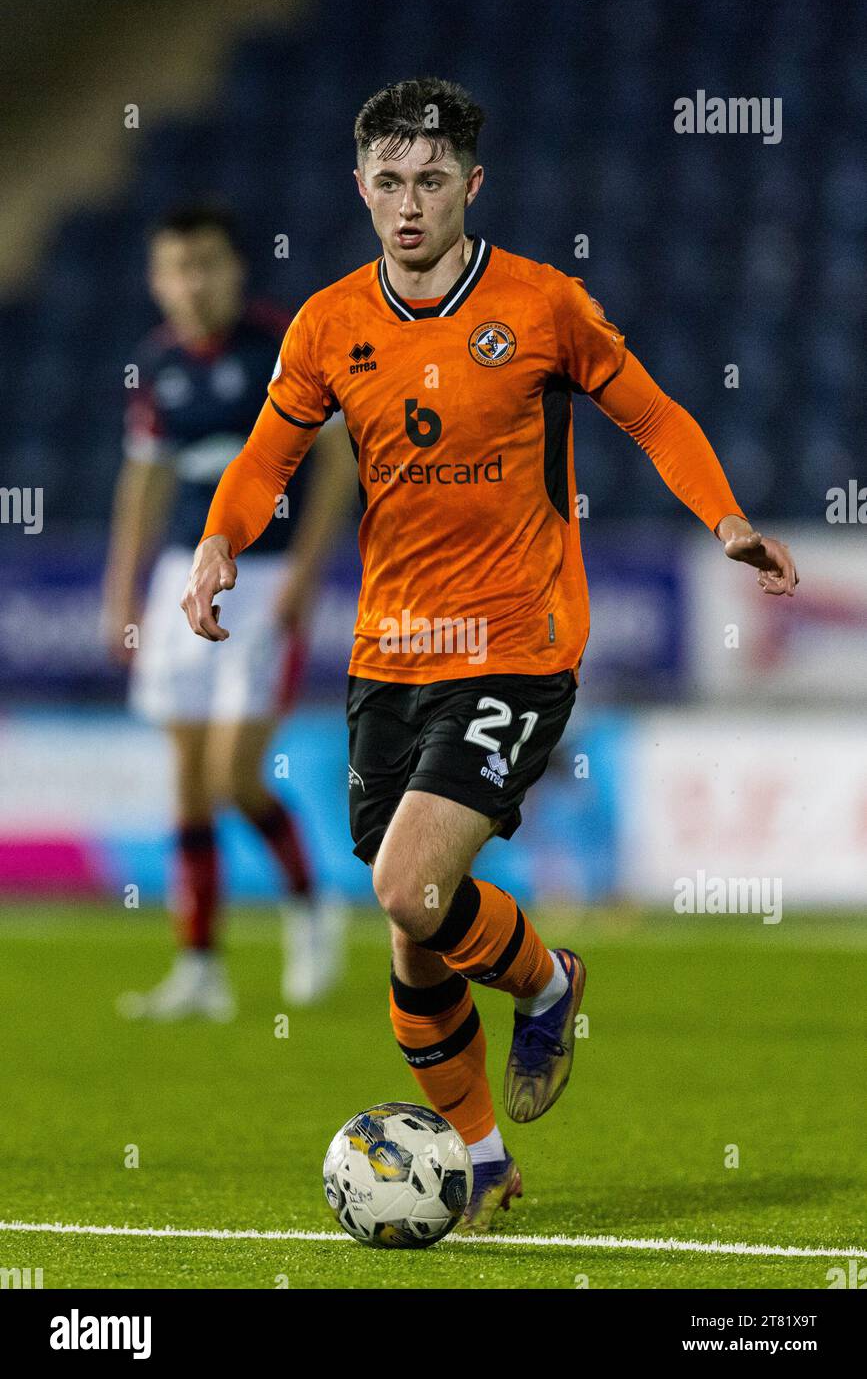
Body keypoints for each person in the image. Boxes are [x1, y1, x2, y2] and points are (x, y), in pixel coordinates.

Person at [179, 81, 798, 1226]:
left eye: (429, 181)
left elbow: (656, 413)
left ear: (473, 184)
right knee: (416, 931)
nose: (407, 205)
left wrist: (725, 520)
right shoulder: (327, 324)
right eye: (387, 182)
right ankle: (479, 1159)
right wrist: (220, 540)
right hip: (390, 654)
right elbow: (267, 455)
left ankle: (552, 979)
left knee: (409, 888)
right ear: (359, 187)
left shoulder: (544, 305)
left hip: (519, 642)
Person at [103, 205, 355, 1019]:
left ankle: (311, 909)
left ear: (235, 269)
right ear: (154, 279)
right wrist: (122, 593)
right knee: (185, 781)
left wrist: (308, 576)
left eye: (204, 264)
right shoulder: (156, 364)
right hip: (183, 575)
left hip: (266, 574)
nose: (190, 283)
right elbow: (143, 482)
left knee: (231, 775)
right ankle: (200, 967)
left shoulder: (282, 348)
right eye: (174, 268)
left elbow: (335, 466)